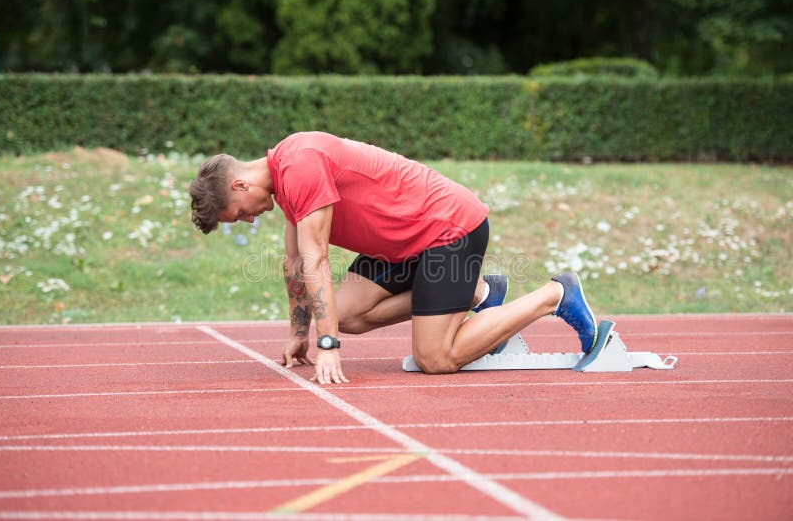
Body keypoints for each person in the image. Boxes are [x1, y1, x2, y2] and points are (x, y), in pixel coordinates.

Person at [189, 131, 599, 384]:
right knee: (343, 313)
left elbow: (315, 262)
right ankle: (476, 293)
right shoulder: (283, 177)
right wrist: (301, 332)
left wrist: (328, 344)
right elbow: (294, 264)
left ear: (241, 185)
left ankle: (555, 294)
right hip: (401, 244)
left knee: (436, 358)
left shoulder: (300, 164)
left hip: (447, 227)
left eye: (239, 213)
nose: (247, 220)